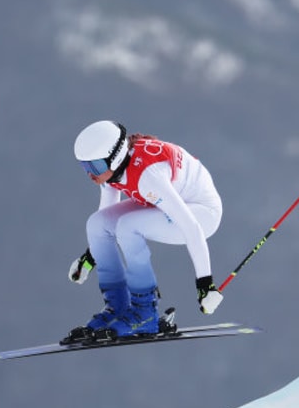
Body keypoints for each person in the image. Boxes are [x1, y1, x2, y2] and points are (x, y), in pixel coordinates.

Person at [63, 120, 224, 344]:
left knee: (129, 227)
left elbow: (191, 227)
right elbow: (105, 219)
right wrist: (90, 258)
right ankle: (118, 306)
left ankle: (145, 313)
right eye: (85, 167)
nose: (91, 174)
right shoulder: (113, 170)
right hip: (165, 203)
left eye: (95, 167)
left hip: (201, 213)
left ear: (115, 157)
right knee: (96, 224)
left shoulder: (150, 177)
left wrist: (205, 285)